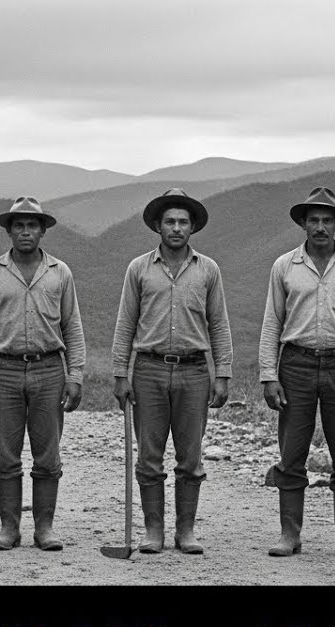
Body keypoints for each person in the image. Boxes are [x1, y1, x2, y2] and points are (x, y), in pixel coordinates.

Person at [259, 186, 335, 561]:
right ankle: (289, 534)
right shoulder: (285, 266)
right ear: (303, 223)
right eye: (313, 220)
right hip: (295, 363)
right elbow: (272, 322)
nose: (320, 227)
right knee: (292, 451)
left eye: (327, 220)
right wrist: (268, 374)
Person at [111, 188, 232, 554]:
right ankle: (153, 531)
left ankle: (186, 531)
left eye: (183, 222)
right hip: (148, 369)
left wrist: (222, 373)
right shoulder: (138, 268)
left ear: (192, 227)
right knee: (149, 456)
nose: (176, 228)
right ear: (157, 226)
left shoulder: (208, 269)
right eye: (169, 222)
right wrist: (121, 373)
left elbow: (219, 324)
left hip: (194, 371)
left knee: (190, 457)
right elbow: (125, 322)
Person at [0, 197, 86, 551]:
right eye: (18, 225)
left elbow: (72, 326)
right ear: (8, 230)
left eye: (32, 225)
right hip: (3, 369)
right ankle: (9, 528)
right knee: (5, 453)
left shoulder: (60, 272)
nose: (25, 231)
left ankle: (44, 528)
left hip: (49, 368)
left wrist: (75, 375)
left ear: (43, 230)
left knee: (47, 453)